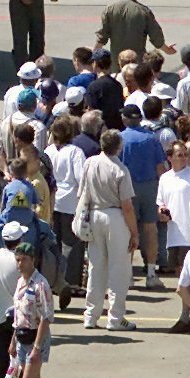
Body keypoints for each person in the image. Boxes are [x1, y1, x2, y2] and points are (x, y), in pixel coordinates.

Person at [79, 129, 139, 331]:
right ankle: (115, 317)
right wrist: (134, 232)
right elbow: (127, 206)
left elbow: (83, 191)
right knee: (118, 269)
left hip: (94, 214)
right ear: (119, 147)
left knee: (96, 267)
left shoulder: (90, 163)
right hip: (115, 216)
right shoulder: (120, 169)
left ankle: (90, 315)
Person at [6, 242, 54, 378]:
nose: (20, 264)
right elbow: (19, 314)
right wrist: (13, 339)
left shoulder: (40, 285)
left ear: (33, 260)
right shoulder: (20, 282)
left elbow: (46, 317)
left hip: (36, 338)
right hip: (22, 337)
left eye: (24, 259)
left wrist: (36, 348)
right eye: (17, 259)